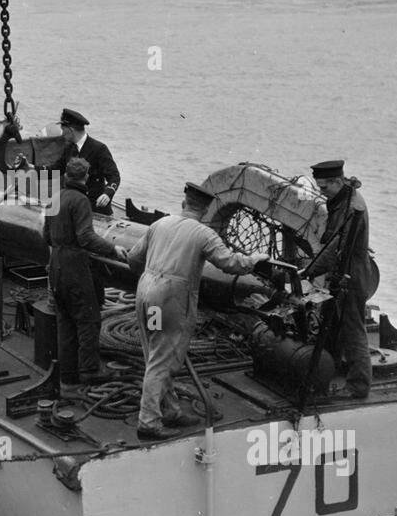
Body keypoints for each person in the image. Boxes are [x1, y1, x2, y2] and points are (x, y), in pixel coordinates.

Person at [126, 183, 268, 441]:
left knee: (155, 353)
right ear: (205, 211)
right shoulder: (204, 234)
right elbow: (230, 263)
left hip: (147, 295)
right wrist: (254, 260)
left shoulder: (159, 224)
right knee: (161, 359)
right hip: (169, 299)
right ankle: (148, 422)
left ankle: (169, 409)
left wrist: (151, 278)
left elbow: (134, 258)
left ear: (184, 203)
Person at [44, 158, 129, 399]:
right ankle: (90, 371)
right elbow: (86, 237)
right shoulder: (80, 200)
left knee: (66, 323)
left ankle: (68, 381)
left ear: (66, 176)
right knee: (88, 319)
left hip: (56, 265)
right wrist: (113, 249)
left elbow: (46, 236)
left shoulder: (54, 198)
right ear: (86, 177)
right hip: (74, 267)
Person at [305, 159, 372, 400]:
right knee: (332, 324)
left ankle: (358, 386)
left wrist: (309, 271)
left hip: (351, 275)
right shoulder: (343, 198)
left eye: (324, 187)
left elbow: (335, 247)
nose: (321, 192)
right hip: (344, 272)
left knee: (353, 330)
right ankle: (326, 372)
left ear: (336, 181)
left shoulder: (351, 207)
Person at [57, 107, 121, 309]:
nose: (61, 133)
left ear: (71, 129)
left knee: (95, 260)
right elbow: (55, 169)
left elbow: (114, 176)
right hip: (76, 210)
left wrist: (107, 193)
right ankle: (84, 300)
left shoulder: (98, 149)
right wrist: (31, 169)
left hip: (96, 211)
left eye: (63, 129)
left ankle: (97, 303)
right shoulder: (69, 149)